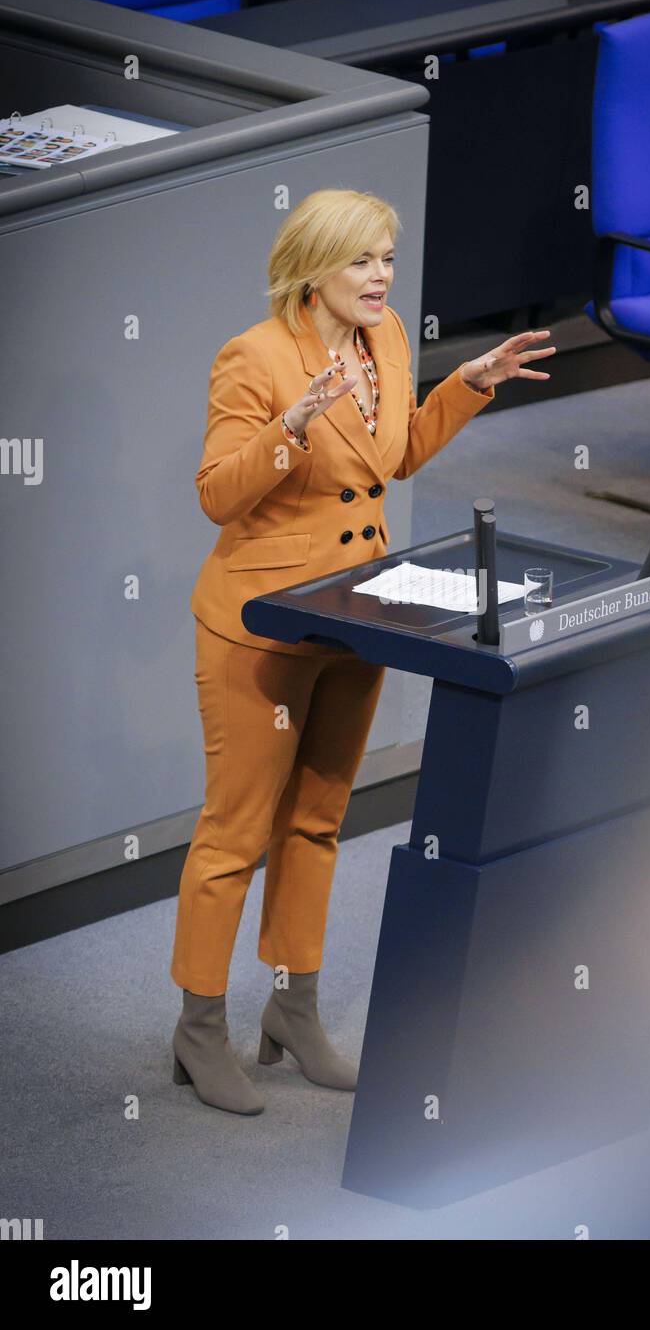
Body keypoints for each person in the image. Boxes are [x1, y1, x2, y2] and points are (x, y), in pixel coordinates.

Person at [169, 187, 555, 1113]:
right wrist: (290, 427)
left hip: (356, 614)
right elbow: (217, 496)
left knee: (318, 818)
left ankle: (293, 1011)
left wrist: (474, 381)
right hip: (263, 623)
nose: (382, 276)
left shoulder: (383, 341)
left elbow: (399, 455)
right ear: (314, 267)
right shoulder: (255, 358)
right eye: (362, 260)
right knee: (237, 833)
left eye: (388, 257)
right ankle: (199, 1029)